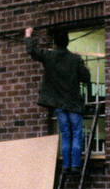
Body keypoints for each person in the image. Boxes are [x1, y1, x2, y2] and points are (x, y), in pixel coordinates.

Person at [25, 25, 92, 171]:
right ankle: (75, 165)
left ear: (55, 43)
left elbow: (32, 51)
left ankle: (66, 165)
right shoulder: (75, 59)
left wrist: (28, 35)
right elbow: (86, 78)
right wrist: (85, 69)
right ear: (67, 42)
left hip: (59, 104)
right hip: (73, 103)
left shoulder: (49, 56)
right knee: (77, 133)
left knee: (66, 134)